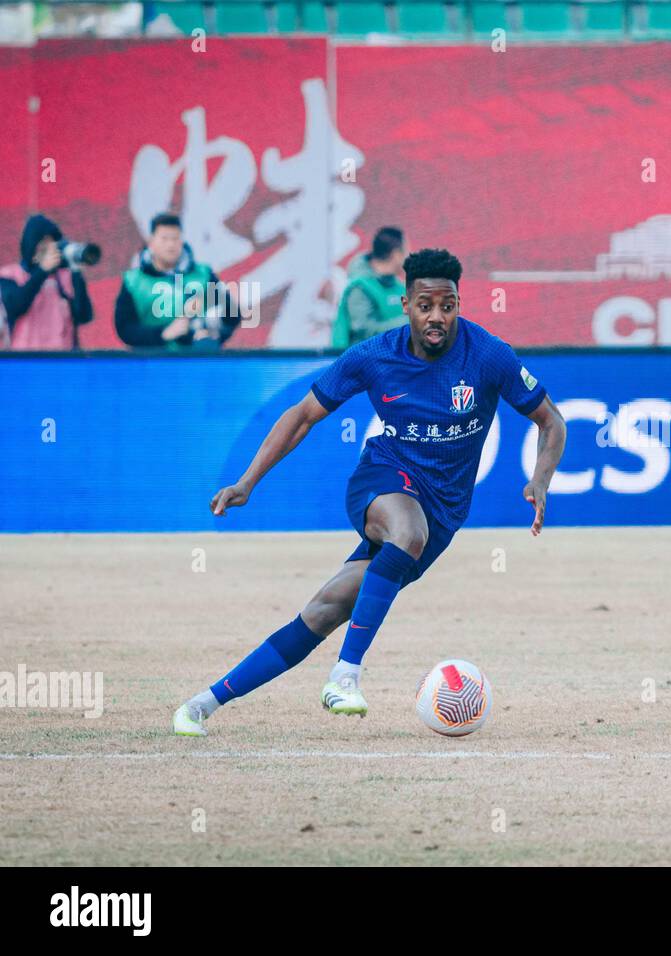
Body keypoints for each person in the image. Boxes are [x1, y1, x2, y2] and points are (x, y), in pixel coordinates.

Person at [172, 248, 567, 736]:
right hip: (383, 479)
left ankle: (201, 705)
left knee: (326, 609)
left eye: (448, 305)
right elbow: (301, 416)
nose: (437, 316)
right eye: (426, 305)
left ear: (459, 303)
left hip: (443, 515)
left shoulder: (489, 356)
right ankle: (345, 675)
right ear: (406, 304)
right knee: (406, 530)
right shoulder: (374, 356)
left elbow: (551, 421)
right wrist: (247, 481)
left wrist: (540, 480)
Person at [114, 212, 240, 350]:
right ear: (151, 242)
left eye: (175, 238)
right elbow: (125, 329)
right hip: (151, 364)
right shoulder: (134, 281)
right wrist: (163, 334)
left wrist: (213, 331)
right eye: (164, 239)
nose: (171, 244)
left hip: (199, 361)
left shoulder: (203, 274)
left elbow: (230, 317)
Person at [0, 214, 94, 350]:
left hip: (62, 360)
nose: (50, 248)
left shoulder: (64, 277)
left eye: (53, 243)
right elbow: (15, 306)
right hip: (23, 360)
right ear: (31, 244)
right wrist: (42, 271)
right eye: (43, 242)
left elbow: (84, 316)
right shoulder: (11, 275)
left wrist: (76, 272)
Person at [332, 226, 407, 348]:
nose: (407, 257)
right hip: (363, 364)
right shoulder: (359, 288)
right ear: (396, 254)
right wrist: (411, 324)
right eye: (405, 252)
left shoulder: (400, 287)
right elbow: (364, 333)